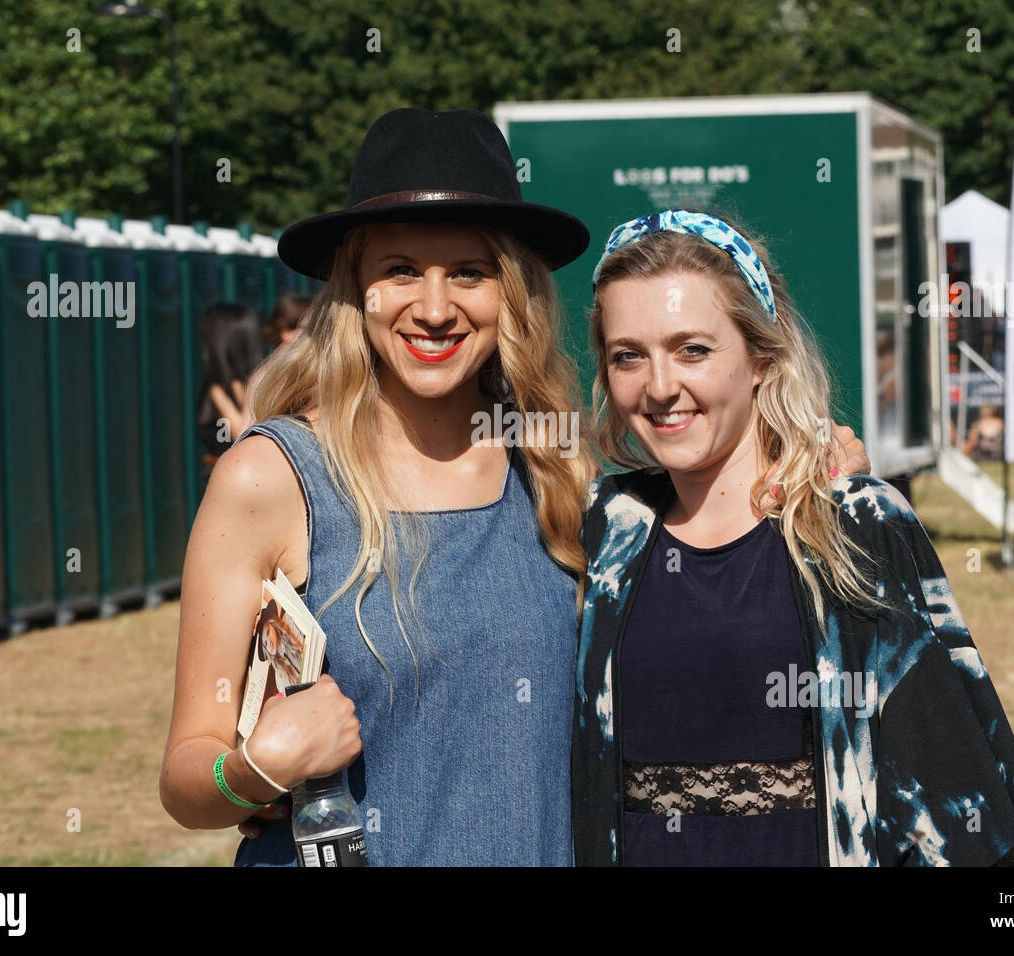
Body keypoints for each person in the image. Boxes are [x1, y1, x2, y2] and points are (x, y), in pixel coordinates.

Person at [160, 111, 871, 867]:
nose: (434, 307)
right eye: (400, 269)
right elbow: (185, 779)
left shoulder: (562, 471)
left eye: (469, 271)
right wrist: (253, 769)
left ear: (512, 291)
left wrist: (804, 460)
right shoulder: (271, 477)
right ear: (355, 288)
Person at [571, 209, 1014, 866]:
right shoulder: (603, 527)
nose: (660, 387)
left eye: (693, 350)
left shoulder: (855, 523)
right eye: (628, 356)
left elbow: (951, 790)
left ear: (761, 358)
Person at [196, 303, 263, 479]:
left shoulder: (233, 388)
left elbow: (245, 434)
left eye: (207, 342)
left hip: (238, 482)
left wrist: (220, 397)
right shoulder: (230, 386)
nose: (204, 352)